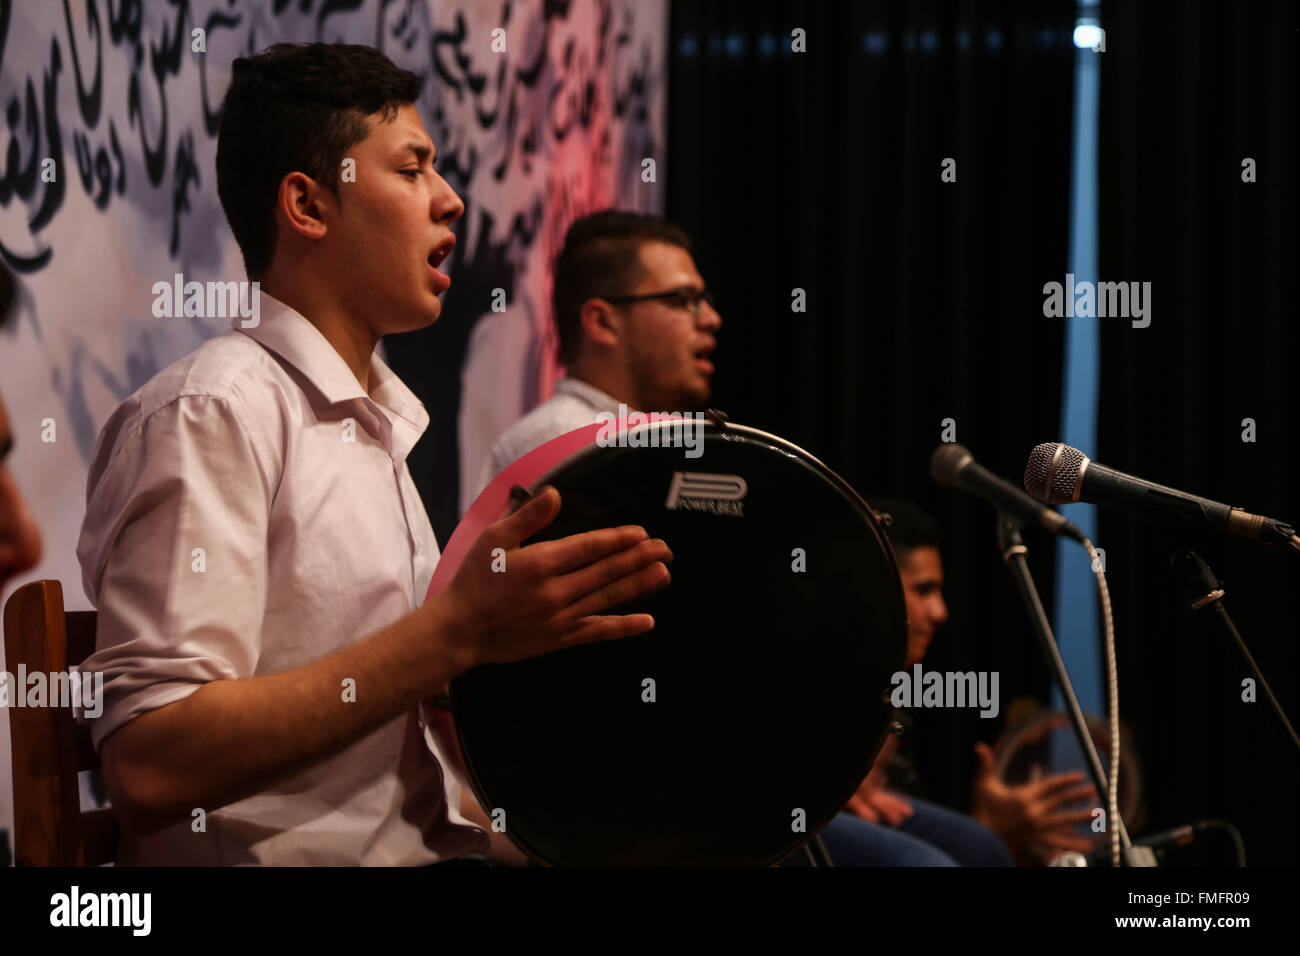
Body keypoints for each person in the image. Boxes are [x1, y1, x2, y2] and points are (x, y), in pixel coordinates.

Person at [72, 43, 672, 865]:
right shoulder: (213, 412)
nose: (451, 200)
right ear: (309, 206)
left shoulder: (374, 422)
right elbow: (150, 762)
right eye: (413, 169)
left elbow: (408, 799)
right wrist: (451, 636)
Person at [837, 499, 1098, 865]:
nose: (940, 612)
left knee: (981, 847)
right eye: (924, 590)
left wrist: (998, 828)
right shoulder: (823, 679)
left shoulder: (899, 697)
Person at [471, 209, 721, 498]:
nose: (711, 319)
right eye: (683, 299)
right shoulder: (560, 436)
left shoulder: (650, 439)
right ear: (602, 322)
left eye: (704, 300)